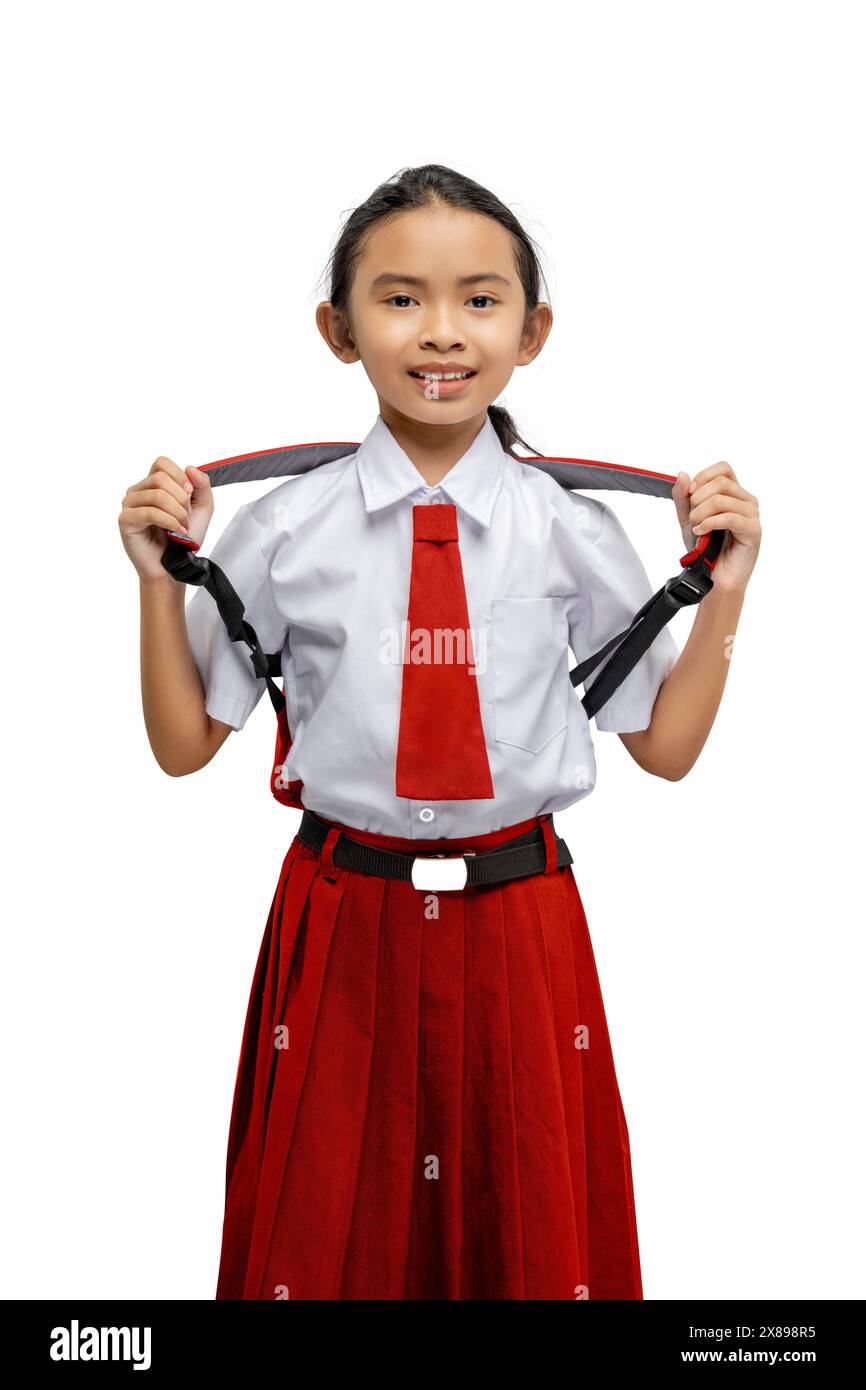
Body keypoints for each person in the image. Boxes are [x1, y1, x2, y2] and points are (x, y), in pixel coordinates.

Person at [118, 163, 761, 1300]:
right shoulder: (281, 528)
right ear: (338, 328)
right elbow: (183, 746)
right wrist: (153, 583)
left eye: (479, 299)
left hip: (519, 919)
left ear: (532, 330)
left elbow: (662, 748)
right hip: (341, 919)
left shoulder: (568, 529)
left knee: (524, 1224)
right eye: (398, 297)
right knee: (323, 1233)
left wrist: (729, 590)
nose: (440, 332)